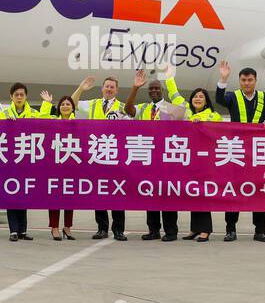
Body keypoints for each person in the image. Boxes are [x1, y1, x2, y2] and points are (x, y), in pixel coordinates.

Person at [215, 61, 265, 242]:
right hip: (237, 151)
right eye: (243, 80)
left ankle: (260, 230)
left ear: (255, 81)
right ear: (240, 81)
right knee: (234, 191)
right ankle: (230, 229)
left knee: (259, 192)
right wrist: (223, 78)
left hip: (257, 152)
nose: (247, 83)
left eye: (250, 80)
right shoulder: (233, 97)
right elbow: (219, 99)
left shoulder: (263, 97)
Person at [71, 75, 129, 242]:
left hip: (115, 156)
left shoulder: (122, 107)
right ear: (102, 88)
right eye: (107, 86)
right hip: (96, 155)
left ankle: (118, 230)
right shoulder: (93, 104)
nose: (109, 89)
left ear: (116, 90)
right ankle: (102, 228)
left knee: (117, 194)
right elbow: (73, 103)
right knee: (100, 193)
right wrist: (81, 88)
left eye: (112, 87)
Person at [125, 69, 180, 242]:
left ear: (162, 91)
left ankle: (171, 231)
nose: (154, 91)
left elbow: (186, 122)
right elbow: (128, 109)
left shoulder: (170, 109)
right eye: (151, 89)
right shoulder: (144, 108)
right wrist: (135, 87)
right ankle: (153, 229)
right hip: (149, 159)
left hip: (166, 160)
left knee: (168, 196)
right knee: (151, 195)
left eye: (157, 88)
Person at [0, 82, 47, 242]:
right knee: (11, 195)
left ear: (26, 96)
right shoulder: (4, 113)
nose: (19, 97)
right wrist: (5, 124)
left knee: (23, 197)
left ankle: (23, 230)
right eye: (16, 95)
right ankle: (13, 230)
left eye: (22, 94)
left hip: (27, 161)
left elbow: (46, 123)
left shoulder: (34, 113)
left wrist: (46, 104)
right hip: (10, 162)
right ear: (11, 97)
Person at [183, 86, 223, 242]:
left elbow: (216, 130)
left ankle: (205, 230)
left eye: (201, 96)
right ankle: (195, 228)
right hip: (190, 160)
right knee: (193, 194)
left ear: (206, 101)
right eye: (195, 96)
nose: (197, 99)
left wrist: (202, 122)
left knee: (203, 195)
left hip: (206, 161)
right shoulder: (188, 115)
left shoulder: (213, 115)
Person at [46, 94, 78, 241]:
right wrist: (47, 103)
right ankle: (54, 227)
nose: (65, 106)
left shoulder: (78, 123)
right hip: (55, 165)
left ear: (72, 107)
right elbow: (41, 118)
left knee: (69, 198)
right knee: (55, 197)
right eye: (63, 104)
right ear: (59, 107)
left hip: (71, 165)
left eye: (68, 104)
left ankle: (67, 227)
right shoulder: (52, 121)